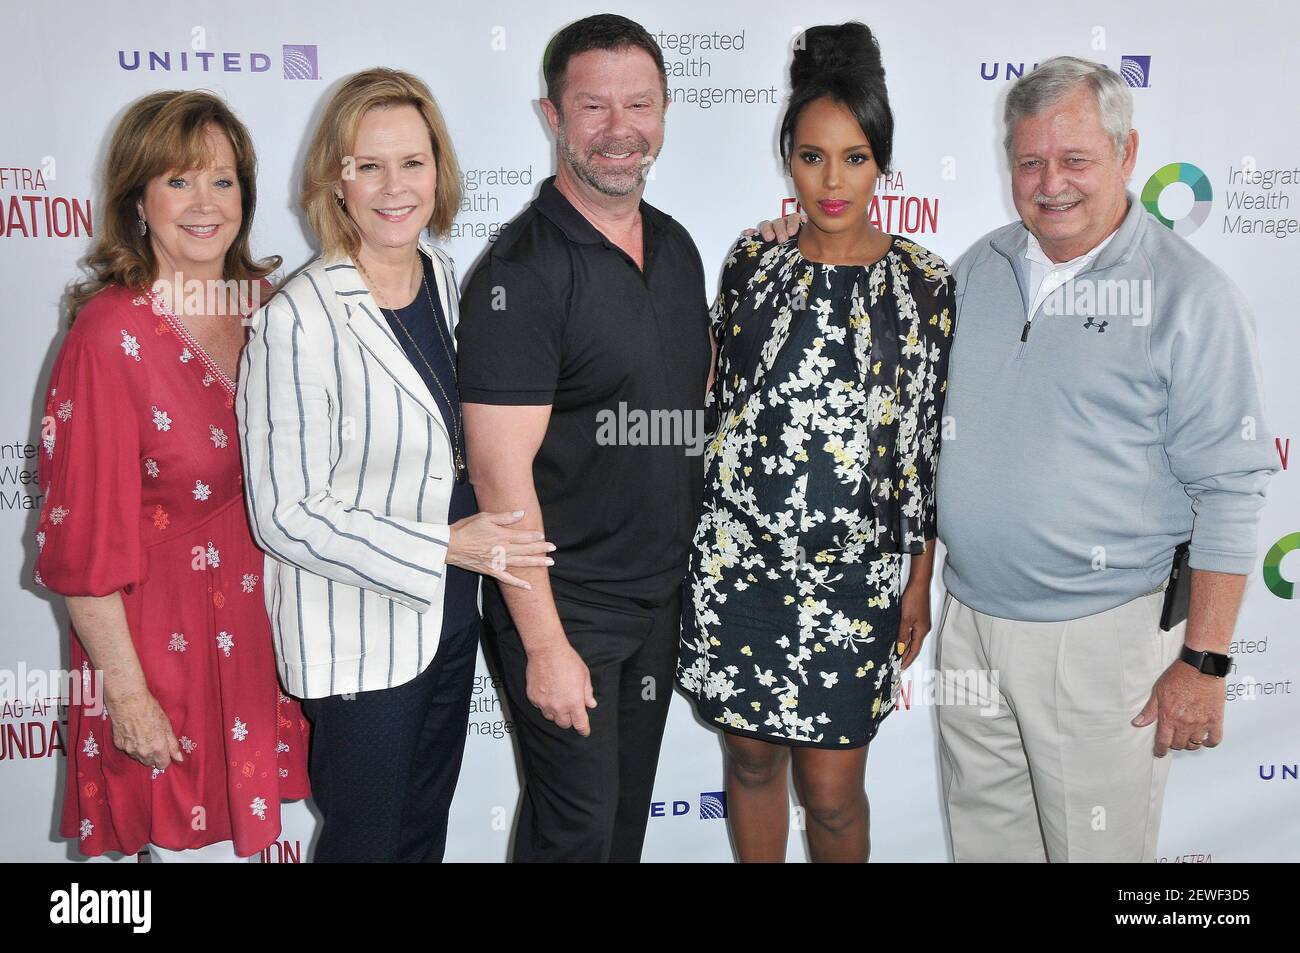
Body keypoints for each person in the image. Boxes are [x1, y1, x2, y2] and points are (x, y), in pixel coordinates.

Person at [932, 57, 1279, 862]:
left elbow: (1231, 489)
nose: (1051, 183)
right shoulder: (975, 270)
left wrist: (1205, 660)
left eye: (1076, 159)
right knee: (988, 850)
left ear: (1127, 156)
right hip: (971, 626)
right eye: (1031, 161)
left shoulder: (1191, 296)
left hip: (1101, 643)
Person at [237, 68, 553, 863]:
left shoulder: (446, 279)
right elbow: (287, 514)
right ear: (333, 180)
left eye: (412, 162)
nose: (393, 186)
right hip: (357, 637)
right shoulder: (296, 318)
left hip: (449, 621)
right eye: (367, 165)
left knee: (420, 841)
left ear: (438, 171)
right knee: (366, 847)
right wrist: (445, 543)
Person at [678, 23, 953, 863]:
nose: (832, 181)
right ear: (787, 158)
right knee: (751, 761)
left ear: (882, 163)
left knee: (833, 796)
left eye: (855, 157)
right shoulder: (749, 264)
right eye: (811, 156)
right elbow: (715, 404)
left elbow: (924, 448)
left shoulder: (925, 284)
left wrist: (918, 576)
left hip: (855, 575)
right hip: (738, 562)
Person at [456, 15, 713, 862]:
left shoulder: (676, 248)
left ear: (666, 113)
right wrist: (546, 644)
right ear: (551, 116)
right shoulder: (517, 275)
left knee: (616, 831)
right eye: (593, 106)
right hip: (568, 607)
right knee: (575, 835)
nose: (619, 129)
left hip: (657, 600)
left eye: (639, 104)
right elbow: (498, 479)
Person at [35, 90, 309, 862]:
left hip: (269, 643)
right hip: (161, 657)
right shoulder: (107, 332)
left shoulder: (269, 308)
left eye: (222, 181)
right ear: (137, 199)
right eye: (178, 180)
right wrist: (126, 695)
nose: (204, 203)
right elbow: (80, 548)